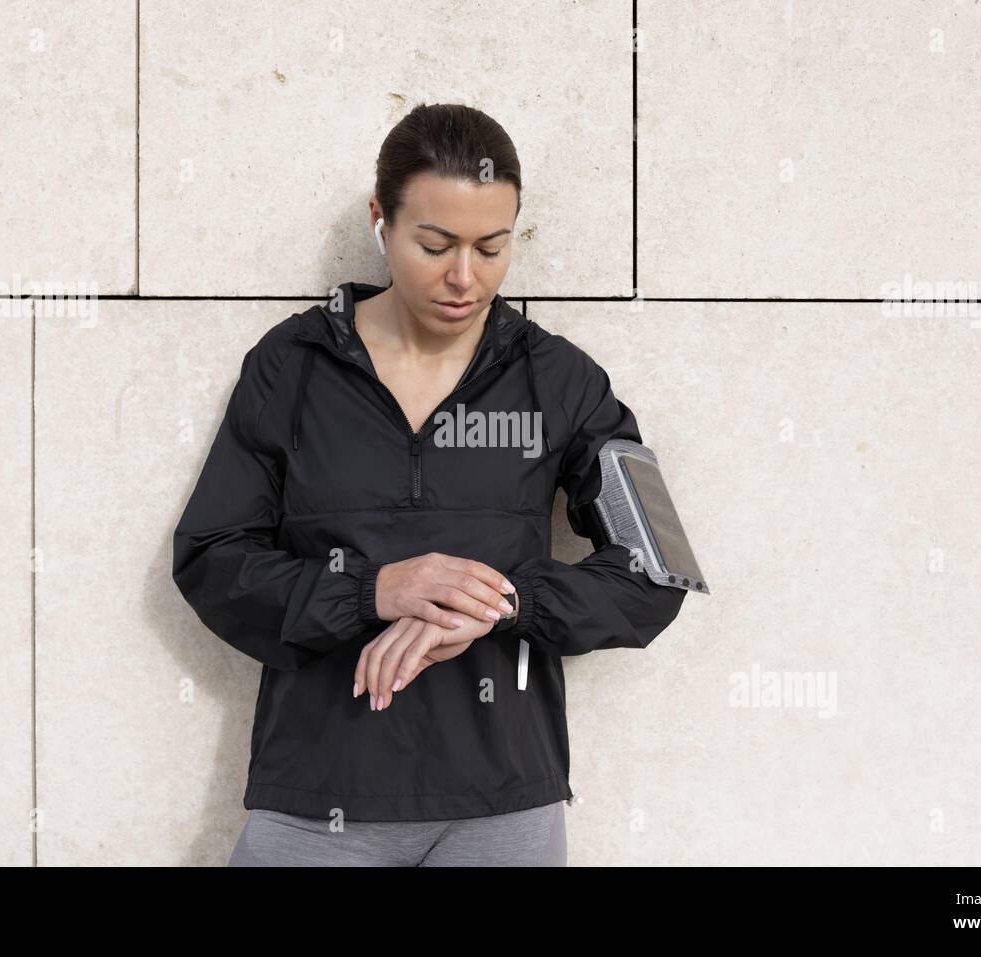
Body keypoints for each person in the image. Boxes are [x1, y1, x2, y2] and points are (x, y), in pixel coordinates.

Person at [171, 103, 687, 867]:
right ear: (381, 220)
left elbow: (658, 570)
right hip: (316, 795)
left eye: (492, 246)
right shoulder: (290, 367)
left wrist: (505, 600)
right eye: (436, 244)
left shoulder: (563, 382)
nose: (463, 277)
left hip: (503, 805)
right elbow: (212, 558)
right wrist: (371, 590)